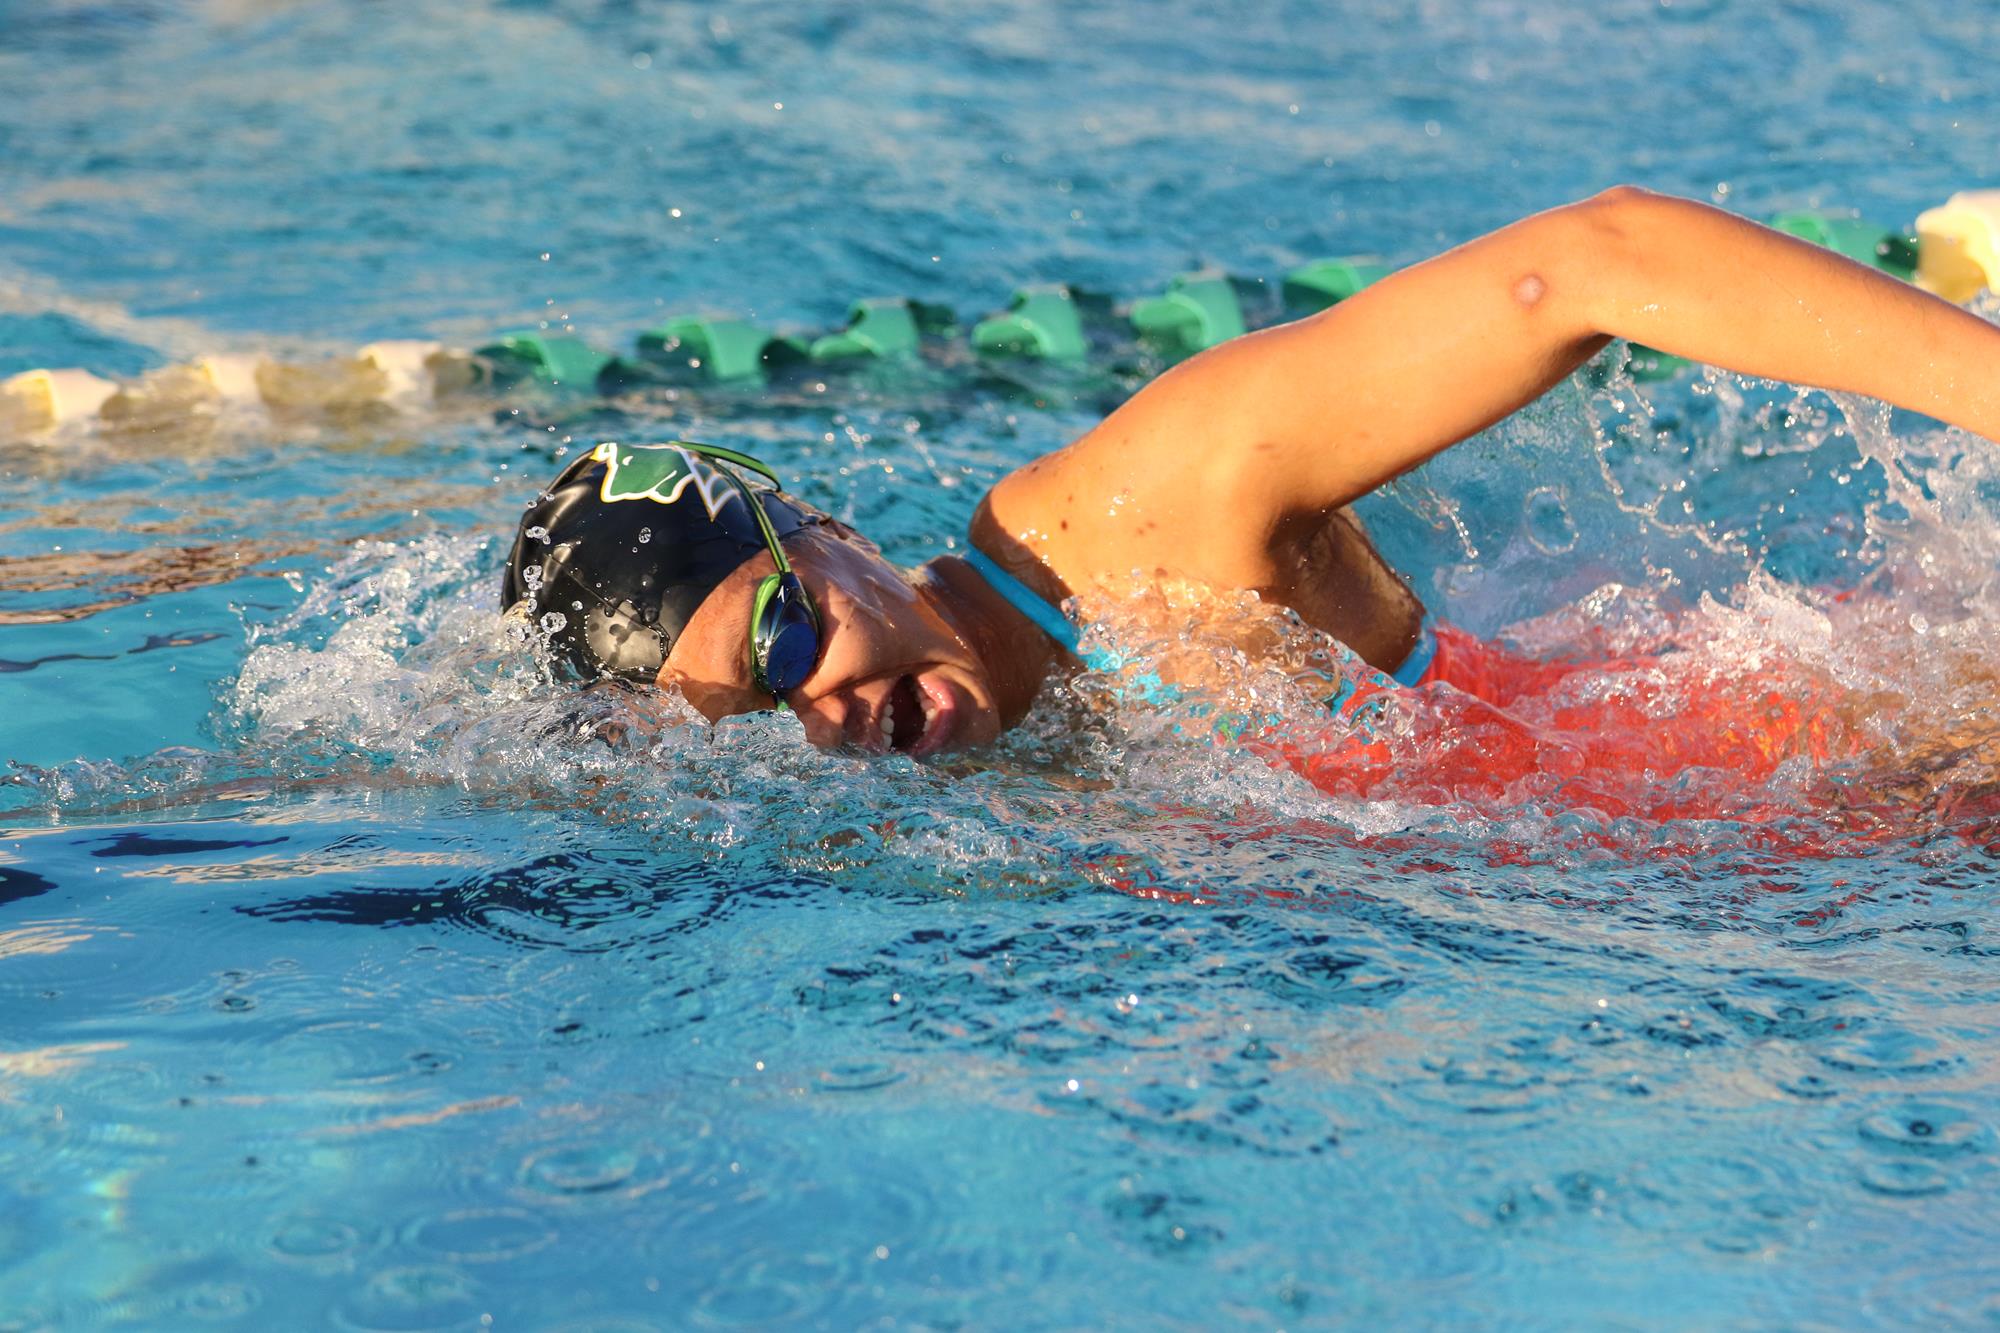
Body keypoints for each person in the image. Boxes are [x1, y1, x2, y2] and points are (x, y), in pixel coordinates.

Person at [503, 186, 2000, 764]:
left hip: (1851, 757)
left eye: (785, 637)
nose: (825, 711)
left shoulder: (1131, 523)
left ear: (826, 535)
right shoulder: (985, 783)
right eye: (761, 721)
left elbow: (1599, 259)